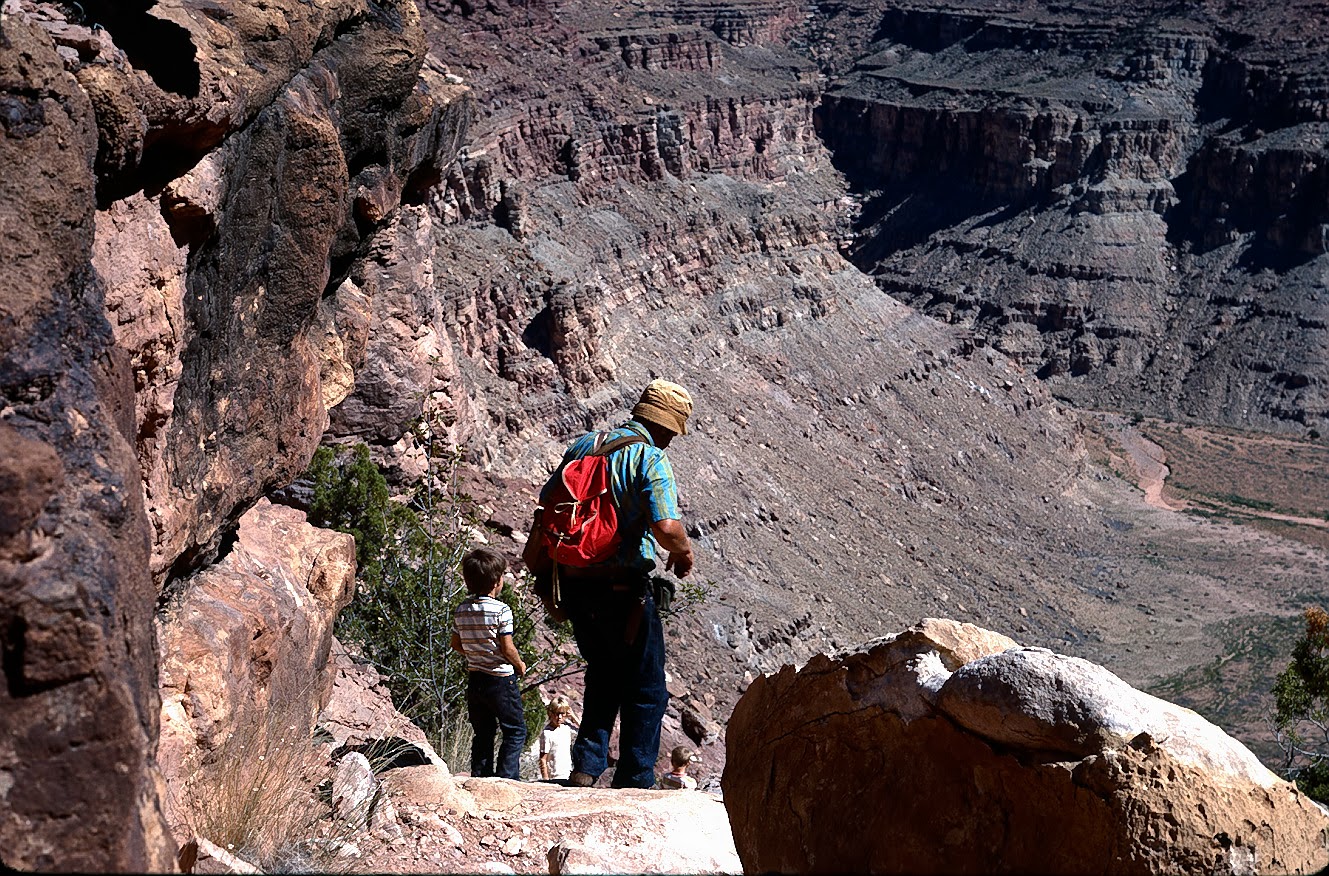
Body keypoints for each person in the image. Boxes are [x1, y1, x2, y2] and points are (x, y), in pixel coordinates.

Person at [523, 378, 696, 789]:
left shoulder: (585, 445)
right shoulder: (650, 458)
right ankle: (635, 779)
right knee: (646, 686)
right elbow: (667, 527)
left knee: (601, 675)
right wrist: (684, 552)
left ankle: (585, 768)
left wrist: (545, 583)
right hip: (625, 590)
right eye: (672, 431)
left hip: (578, 584)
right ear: (666, 426)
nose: (671, 439)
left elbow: (547, 509)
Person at [450, 548, 527, 780]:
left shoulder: (462, 609)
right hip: (501, 679)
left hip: (475, 678)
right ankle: (507, 778)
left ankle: (481, 775)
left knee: (483, 732)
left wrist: (475, 653)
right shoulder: (501, 610)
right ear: (496, 581)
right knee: (515, 731)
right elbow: (507, 648)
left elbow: (455, 644)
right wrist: (519, 665)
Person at [539, 694, 576, 781]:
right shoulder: (547, 733)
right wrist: (545, 779)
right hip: (554, 777)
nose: (559, 717)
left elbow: (583, 731)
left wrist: (573, 716)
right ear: (551, 713)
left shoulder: (567, 729)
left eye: (562, 714)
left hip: (568, 774)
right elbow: (543, 759)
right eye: (557, 714)